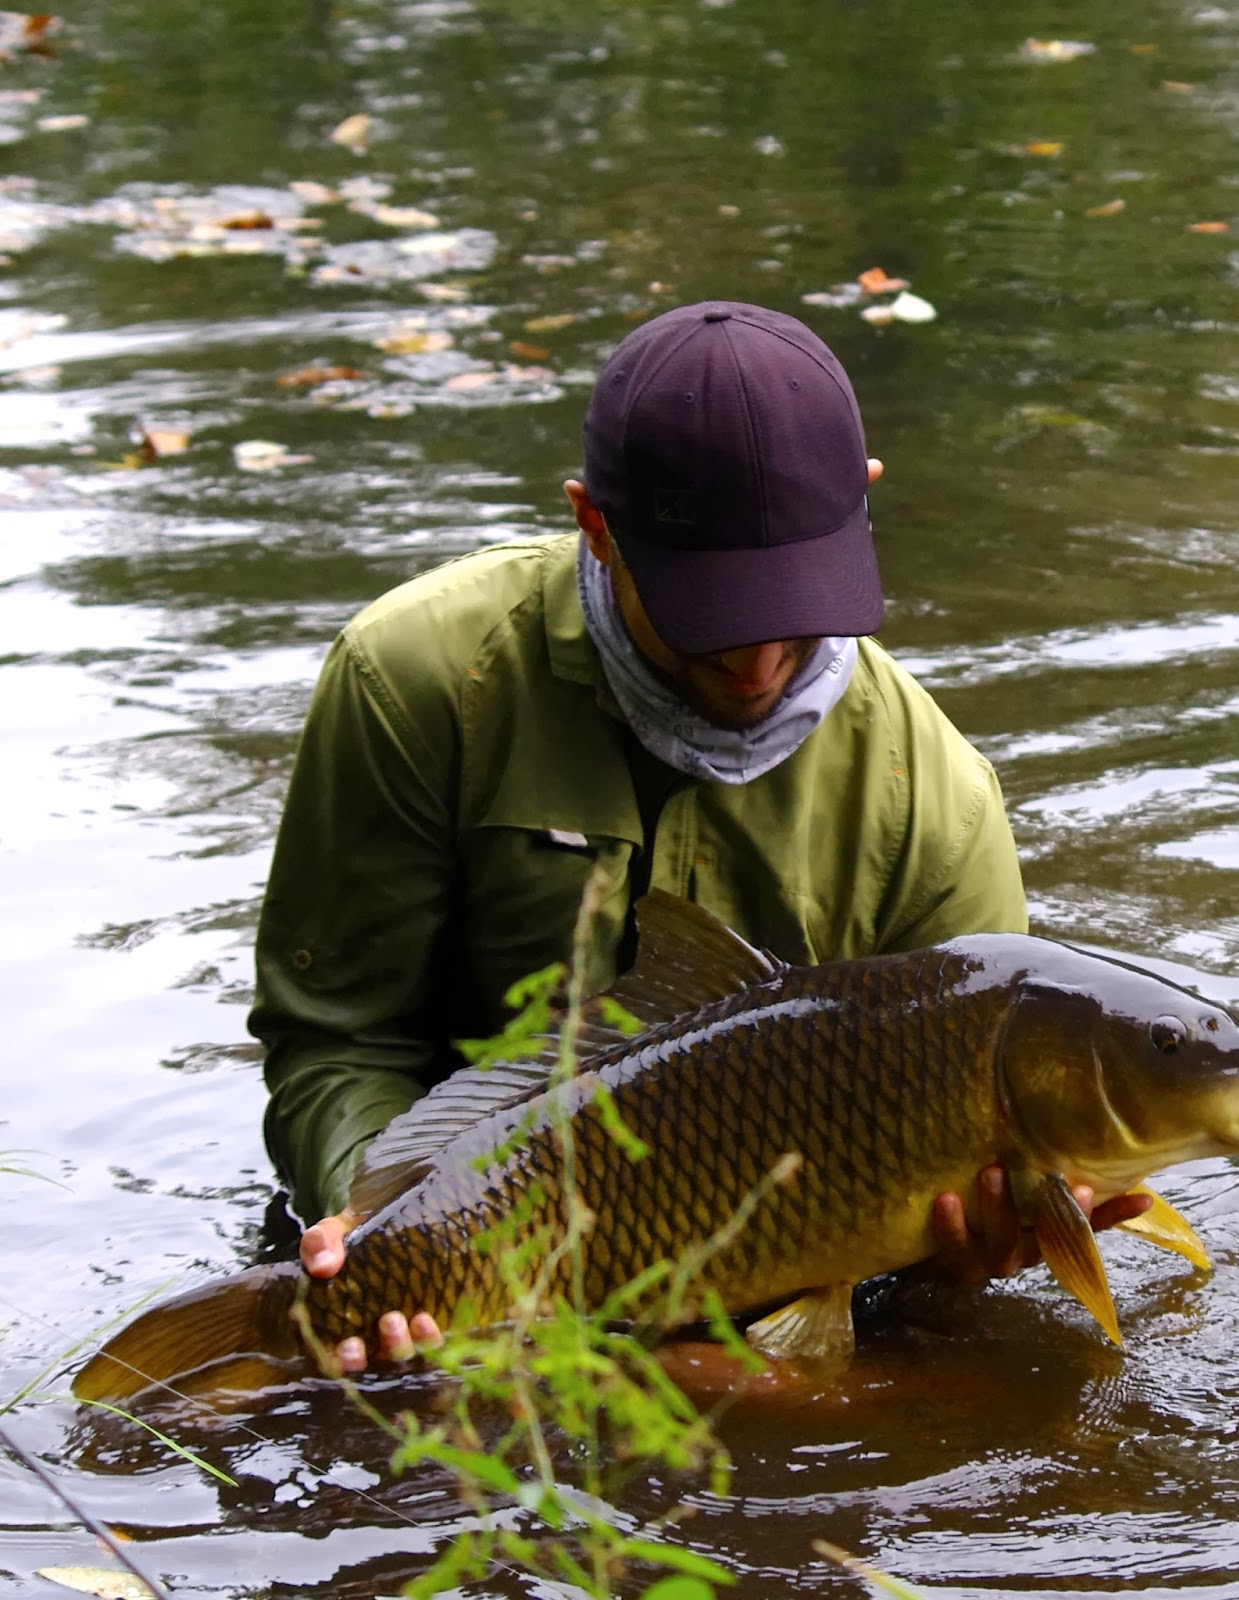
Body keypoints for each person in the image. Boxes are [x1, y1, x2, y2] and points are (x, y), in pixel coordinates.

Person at [249, 300, 1147, 1372]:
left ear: (861, 501)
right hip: (456, 1237)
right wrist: (375, 1222)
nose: (762, 662)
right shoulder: (415, 681)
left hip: (786, 1292)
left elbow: (968, 1188)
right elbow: (341, 1039)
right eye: (709, 609)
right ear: (594, 523)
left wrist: (976, 1245)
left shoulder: (936, 798)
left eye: (795, 599)